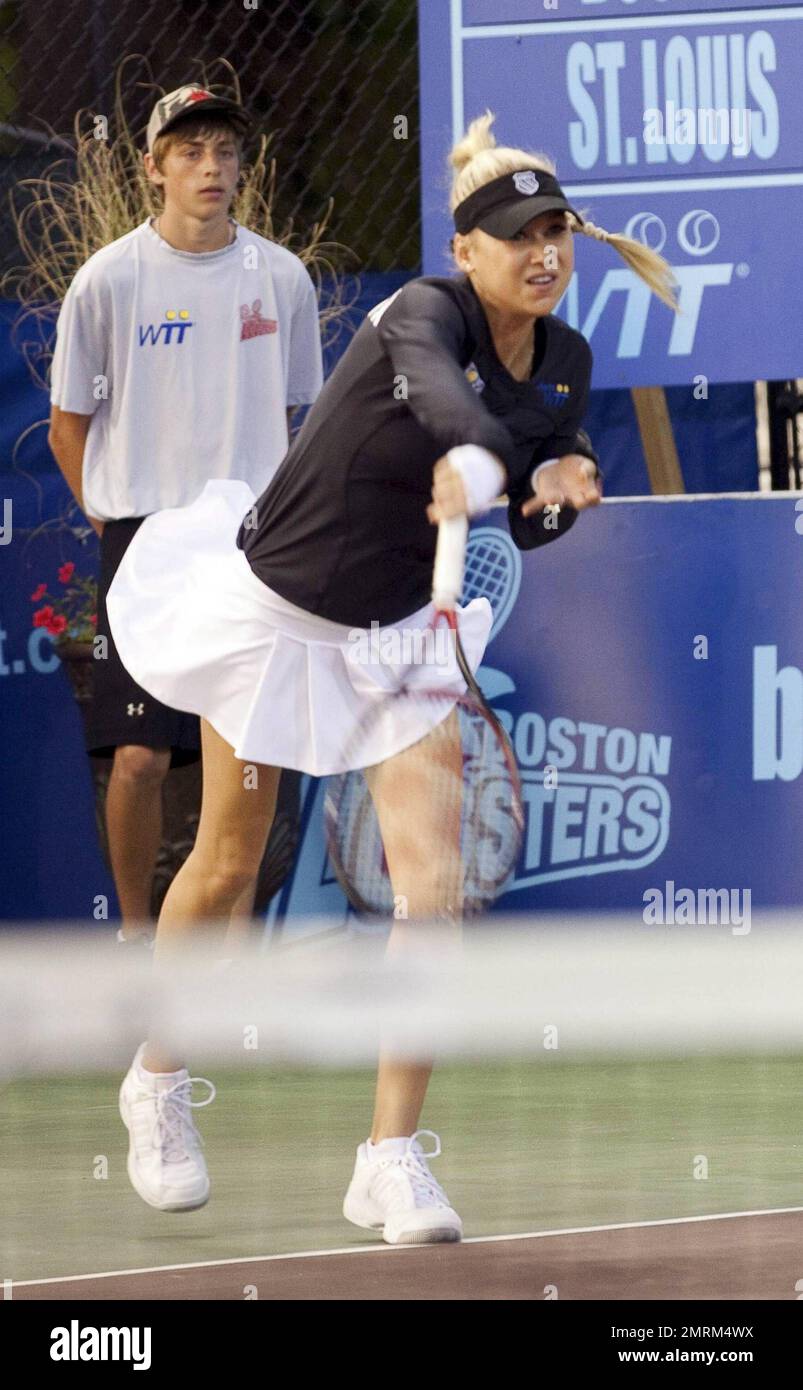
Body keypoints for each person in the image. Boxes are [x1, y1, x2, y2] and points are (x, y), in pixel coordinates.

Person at [107, 112, 677, 1243]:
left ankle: (388, 1156)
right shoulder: (419, 312)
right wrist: (484, 459)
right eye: (518, 235)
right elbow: (440, 399)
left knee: (437, 888)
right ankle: (157, 1079)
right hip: (277, 610)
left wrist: (555, 490)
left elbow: (537, 509)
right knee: (226, 865)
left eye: (556, 231)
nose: (544, 253)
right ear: (466, 252)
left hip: (396, 631)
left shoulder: (565, 360)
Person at [47, 84, 323, 943]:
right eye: (190, 152)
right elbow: (67, 428)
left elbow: (294, 419)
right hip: (143, 542)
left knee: (242, 757)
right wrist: (116, 527)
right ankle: (138, 940)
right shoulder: (107, 280)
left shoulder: (280, 277)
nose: (211, 168)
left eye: (226, 153)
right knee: (136, 757)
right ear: (152, 168)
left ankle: (231, 951)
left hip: (250, 547)